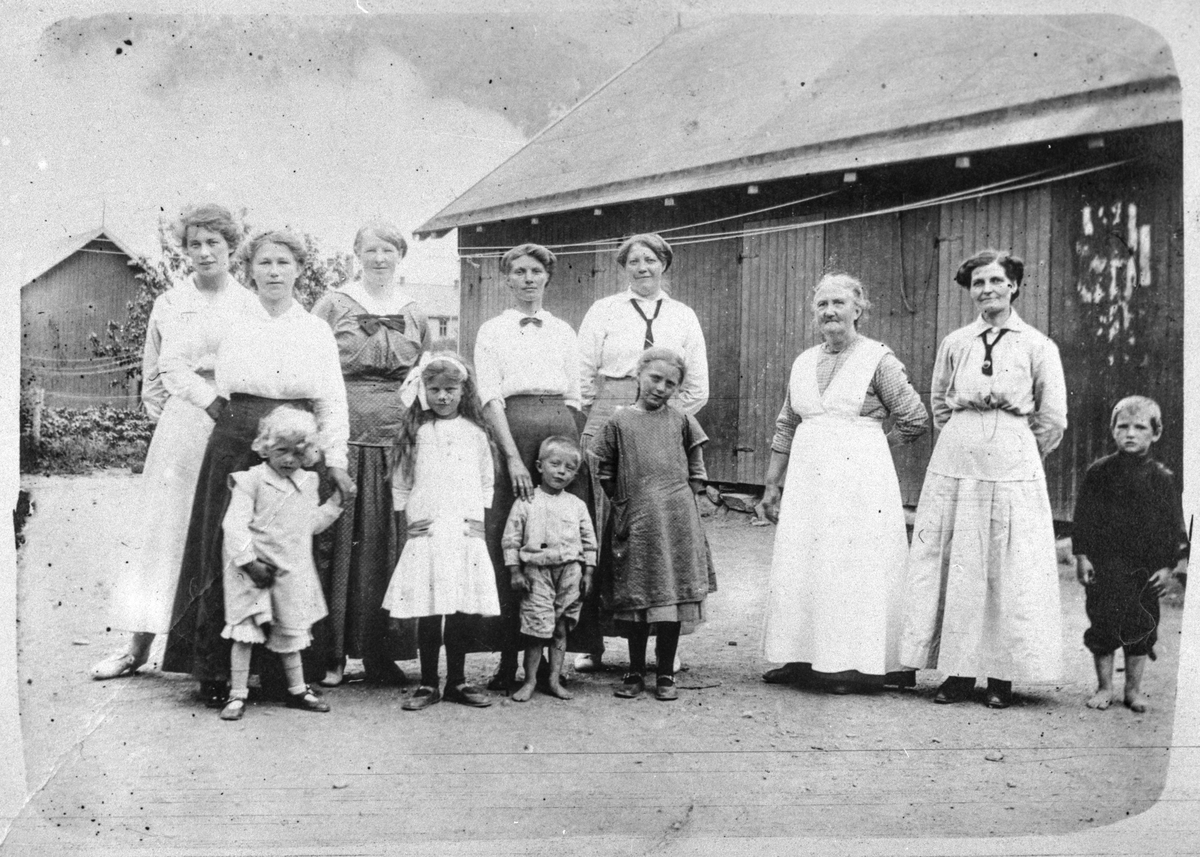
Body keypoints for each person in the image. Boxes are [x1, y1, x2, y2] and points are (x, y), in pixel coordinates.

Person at [161, 230, 354, 708]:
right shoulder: (229, 318)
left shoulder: (314, 329)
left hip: (297, 442)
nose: (273, 272)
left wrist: (336, 460)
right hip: (238, 438)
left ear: (298, 270)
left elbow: (331, 398)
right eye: (264, 262)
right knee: (230, 546)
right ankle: (219, 673)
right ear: (249, 269)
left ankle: (287, 676)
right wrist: (212, 405)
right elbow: (173, 364)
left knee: (289, 551)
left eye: (283, 263)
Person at [93, 203, 261, 680]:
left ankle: (217, 654)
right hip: (185, 424)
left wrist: (230, 413)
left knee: (222, 531)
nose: (204, 253)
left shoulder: (248, 304)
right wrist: (184, 417)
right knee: (164, 530)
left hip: (234, 424)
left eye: (214, 243)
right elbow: (160, 372)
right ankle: (136, 646)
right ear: (184, 251)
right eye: (195, 244)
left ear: (232, 247)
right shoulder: (171, 301)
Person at [899, 249, 1068, 709]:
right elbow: (939, 402)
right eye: (978, 283)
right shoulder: (956, 342)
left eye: (996, 281)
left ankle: (1000, 676)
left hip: (1012, 462)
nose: (987, 290)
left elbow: (1052, 418)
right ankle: (957, 672)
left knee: (1005, 564)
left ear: (1013, 285)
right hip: (958, 459)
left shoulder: (1037, 346)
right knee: (957, 562)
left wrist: (1016, 446)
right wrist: (967, 434)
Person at [760, 273, 928, 694]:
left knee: (852, 566)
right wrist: (771, 484)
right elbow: (787, 424)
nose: (830, 312)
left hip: (859, 484)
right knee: (805, 561)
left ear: (859, 308)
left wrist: (871, 451)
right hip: (807, 481)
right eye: (822, 305)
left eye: (839, 303)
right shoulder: (803, 361)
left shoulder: (878, 359)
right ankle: (803, 657)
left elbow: (914, 418)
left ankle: (857, 665)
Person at [574, 232, 708, 673]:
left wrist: (665, 421)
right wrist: (602, 415)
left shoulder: (683, 315)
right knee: (603, 523)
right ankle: (593, 643)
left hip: (663, 423)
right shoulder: (604, 310)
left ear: (664, 264)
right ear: (623, 266)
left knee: (661, 531)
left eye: (651, 260)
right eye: (634, 261)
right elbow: (582, 372)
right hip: (609, 413)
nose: (643, 268)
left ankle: (666, 642)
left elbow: (697, 385)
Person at [310, 221, 430, 687]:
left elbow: (423, 373)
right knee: (339, 544)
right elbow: (312, 363)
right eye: (370, 250)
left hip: (398, 436)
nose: (380, 258)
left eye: (388, 250)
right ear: (356, 253)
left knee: (388, 543)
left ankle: (383, 654)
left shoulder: (415, 310)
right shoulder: (334, 302)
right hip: (344, 429)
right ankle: (333, 654)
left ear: (400, 255)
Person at [473, 243, 589, 692]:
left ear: (547, 277)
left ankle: (551, 668)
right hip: (513, 434)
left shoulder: (563, 329)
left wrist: (565, 445)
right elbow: (489, 397)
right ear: (507, 279)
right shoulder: (493, 330)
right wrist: (514, 457)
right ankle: (506, 661)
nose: (527, 279)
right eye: (518, 271)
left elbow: (576, 395)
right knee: (514, 539)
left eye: (535, 271)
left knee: (560, 539)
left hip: (558, 432)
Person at [591, 347, 713, 702]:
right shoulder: (618, 421)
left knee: (669, 597)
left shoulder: (682, 421)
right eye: (655, 379)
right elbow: (606, 472)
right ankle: (633, 671)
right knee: (636, 597)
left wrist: (683, 502)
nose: (661, 388)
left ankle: (664, 674)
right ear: (638, 376)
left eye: (670, 383)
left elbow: (697, 468)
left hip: (675, 521)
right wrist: (625, 503)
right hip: (636, 518)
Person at [382, 353, 500, 711]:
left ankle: (458, 681)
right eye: (434, 390)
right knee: (430, 607)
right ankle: (429, 683)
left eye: (450, 390)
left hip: (463, 530)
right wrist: (407, 519)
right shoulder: (415, 432)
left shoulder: (476, 432)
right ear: (423, 390)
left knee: (462, 607)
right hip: (429, 531)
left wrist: (480, 518)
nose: (443, 397)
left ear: (464, 391)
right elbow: (401, 482)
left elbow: (485, 479)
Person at [218, 407, 343, 721]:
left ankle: (298, 689)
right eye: (281, 451)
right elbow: (234, 526)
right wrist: (249, 563)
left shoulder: (308, 482)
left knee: (290, 632)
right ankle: (237, 694)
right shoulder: (252, 480)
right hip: (254, 569)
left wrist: (335, 505)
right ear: (265, 447)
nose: (289, 460)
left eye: (297, 454)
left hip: (289, 569)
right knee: (245, 631)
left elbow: (308, 524)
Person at [1073, 396, 1188, 713]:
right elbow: (1083, 519)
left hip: (1144, 571)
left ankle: (1133, 690)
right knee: (1103, 625)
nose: (1131, 434)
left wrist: (1168, 567)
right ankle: (1104, 687)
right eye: (1123, 427)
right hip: (1105, 567)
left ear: (1156, 432)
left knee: (1141, 627)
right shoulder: (1099, 473)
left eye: (1140, 427)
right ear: (1113, 430)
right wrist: (1082, 556)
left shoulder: (1162, 478)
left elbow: (1173, 526)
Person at [502, 436, 598, 703]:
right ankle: (530, 680)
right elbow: (511, 539)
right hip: (536, 573)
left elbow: (590, 541)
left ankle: (554, 679)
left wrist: (588, 572)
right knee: (536, 630)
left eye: (569, 468)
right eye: (555, 464)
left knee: (560, 629)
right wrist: (515, 571)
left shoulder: (576, 505)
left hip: (570, 573)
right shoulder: (526, 501)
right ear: (539, 465)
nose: (561, 472)